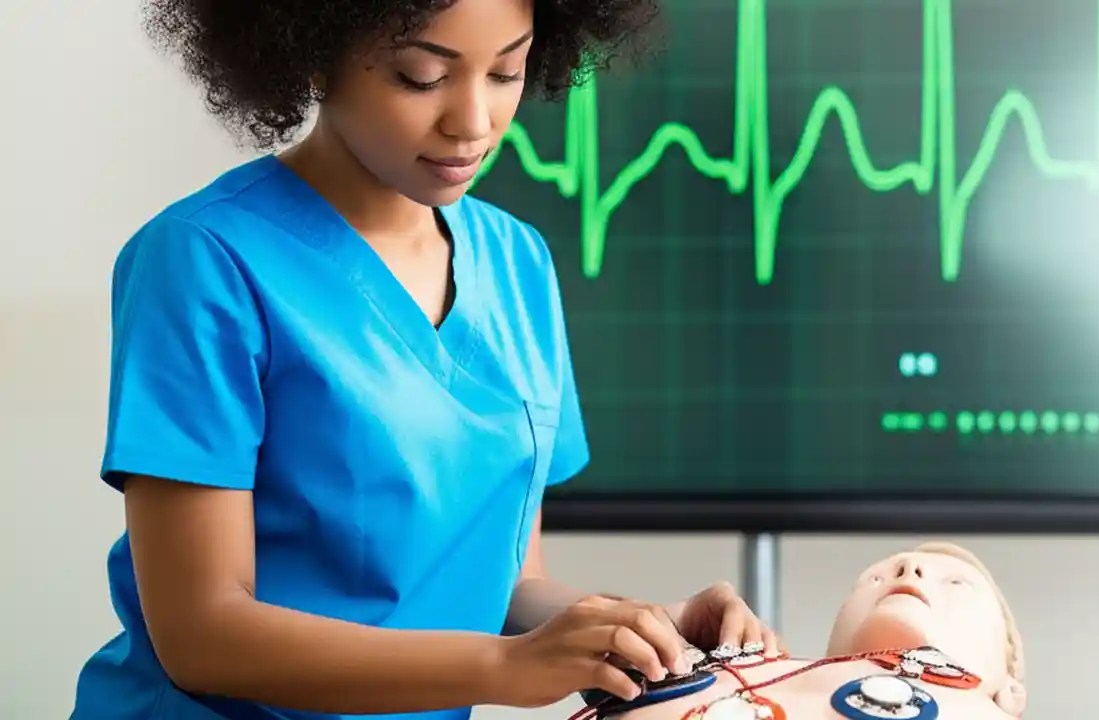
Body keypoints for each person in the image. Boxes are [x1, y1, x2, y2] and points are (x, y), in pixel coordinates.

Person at [71, 1, 779, 718]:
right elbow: (202, 636)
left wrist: (639, 628)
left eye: (507, 69)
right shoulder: (201, 262)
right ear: (312, 53)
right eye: (420, 76)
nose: (474, 121)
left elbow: (505, 588)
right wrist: (502, 668)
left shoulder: (518, 262)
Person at [592, 543, 1026, 720]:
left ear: (1012, 693)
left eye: (955, 583)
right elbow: (576, 627)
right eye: (871, 581)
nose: (908, 569)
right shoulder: (707, 664)